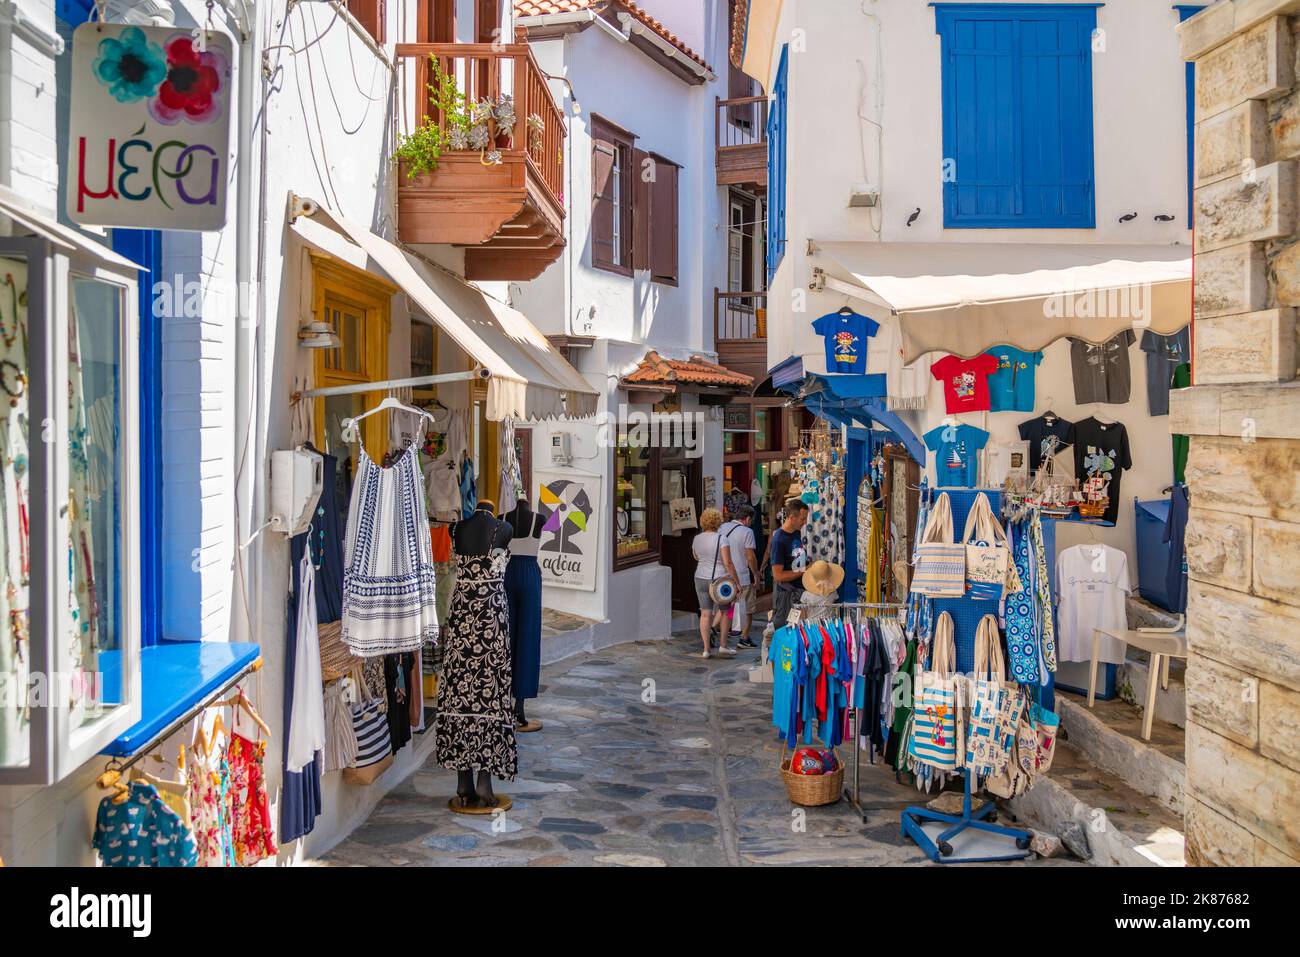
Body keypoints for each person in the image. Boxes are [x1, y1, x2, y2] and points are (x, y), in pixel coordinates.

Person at [691, 508, 735, 659]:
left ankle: (706, 649)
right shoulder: (721, 539)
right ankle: (723, 646)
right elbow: (727, 562)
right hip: (719, 580)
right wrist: (737, 581)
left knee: (705, 613)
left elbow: (696, 557)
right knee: (724, 612)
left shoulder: (697, 539)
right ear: (718, 522)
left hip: (700, 578)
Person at [719, 504, 759, 648]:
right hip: (741, 575)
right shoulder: (747, 532)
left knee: (728, 606)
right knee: (748, 609)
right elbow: (750, 557)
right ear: (747, 519)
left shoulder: (722, 527)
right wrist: (756, 574)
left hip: (723, 575)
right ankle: (744, 638)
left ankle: (723, 630)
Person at [769, 498, 809, 631]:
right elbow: (778, 576)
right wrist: (804, 570)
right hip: (786, 596)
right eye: (803, 518)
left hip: (798, 594)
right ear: (792, 517)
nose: (805, 522)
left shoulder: (796, 533)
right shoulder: (779, 540)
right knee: (784, 633)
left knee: (797, 634)